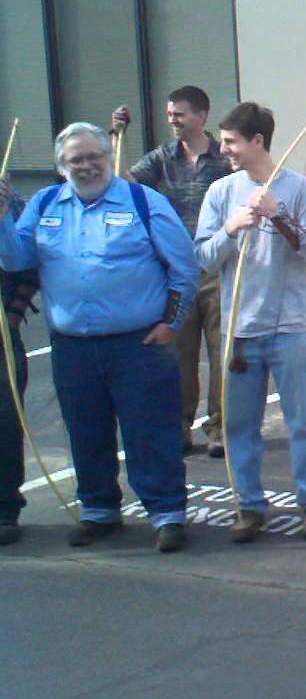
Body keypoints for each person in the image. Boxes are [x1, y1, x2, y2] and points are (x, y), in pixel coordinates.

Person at [0, 123, 200, 553]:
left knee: (150, 432)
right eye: (76, 160)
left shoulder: (144, 203)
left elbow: (184, 270)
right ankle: (99, 511)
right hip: (72, 346)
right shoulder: (45, 204)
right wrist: (1, 220)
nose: (86, 166)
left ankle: (167, 514)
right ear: (61, 167)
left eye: (94, 157)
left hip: (138, 344)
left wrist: (172, 324)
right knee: (85, 431)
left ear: (109, 157)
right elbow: (17, 258)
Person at [194, 102, 306, 544]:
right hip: (239, 327)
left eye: (231, 141)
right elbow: (201, 256)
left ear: (258, 141)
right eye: (223, 140)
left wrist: (278, 214)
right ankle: (248, 505)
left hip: (288, 325)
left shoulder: (299, 188)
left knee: (304, 422)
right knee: (240, 426)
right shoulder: (221, 192)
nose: (224, 148)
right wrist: (232, 227)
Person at [112, 86, 234, 458]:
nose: (172, 121)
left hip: (217, 265)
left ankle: (221, 429)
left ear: (201, 116)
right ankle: (179, 427)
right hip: (176, 270)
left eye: (179, 114)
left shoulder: (223, 157)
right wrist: (118, 138)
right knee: (178, 354)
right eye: (169, 114)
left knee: (222, 352)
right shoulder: (162, 158)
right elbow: (124, 185)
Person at [0, 182, 41, 546]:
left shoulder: (13, 203)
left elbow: (31, 266)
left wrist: (12, 315)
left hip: (1, 335)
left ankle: (4, 508)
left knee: (4, 420)